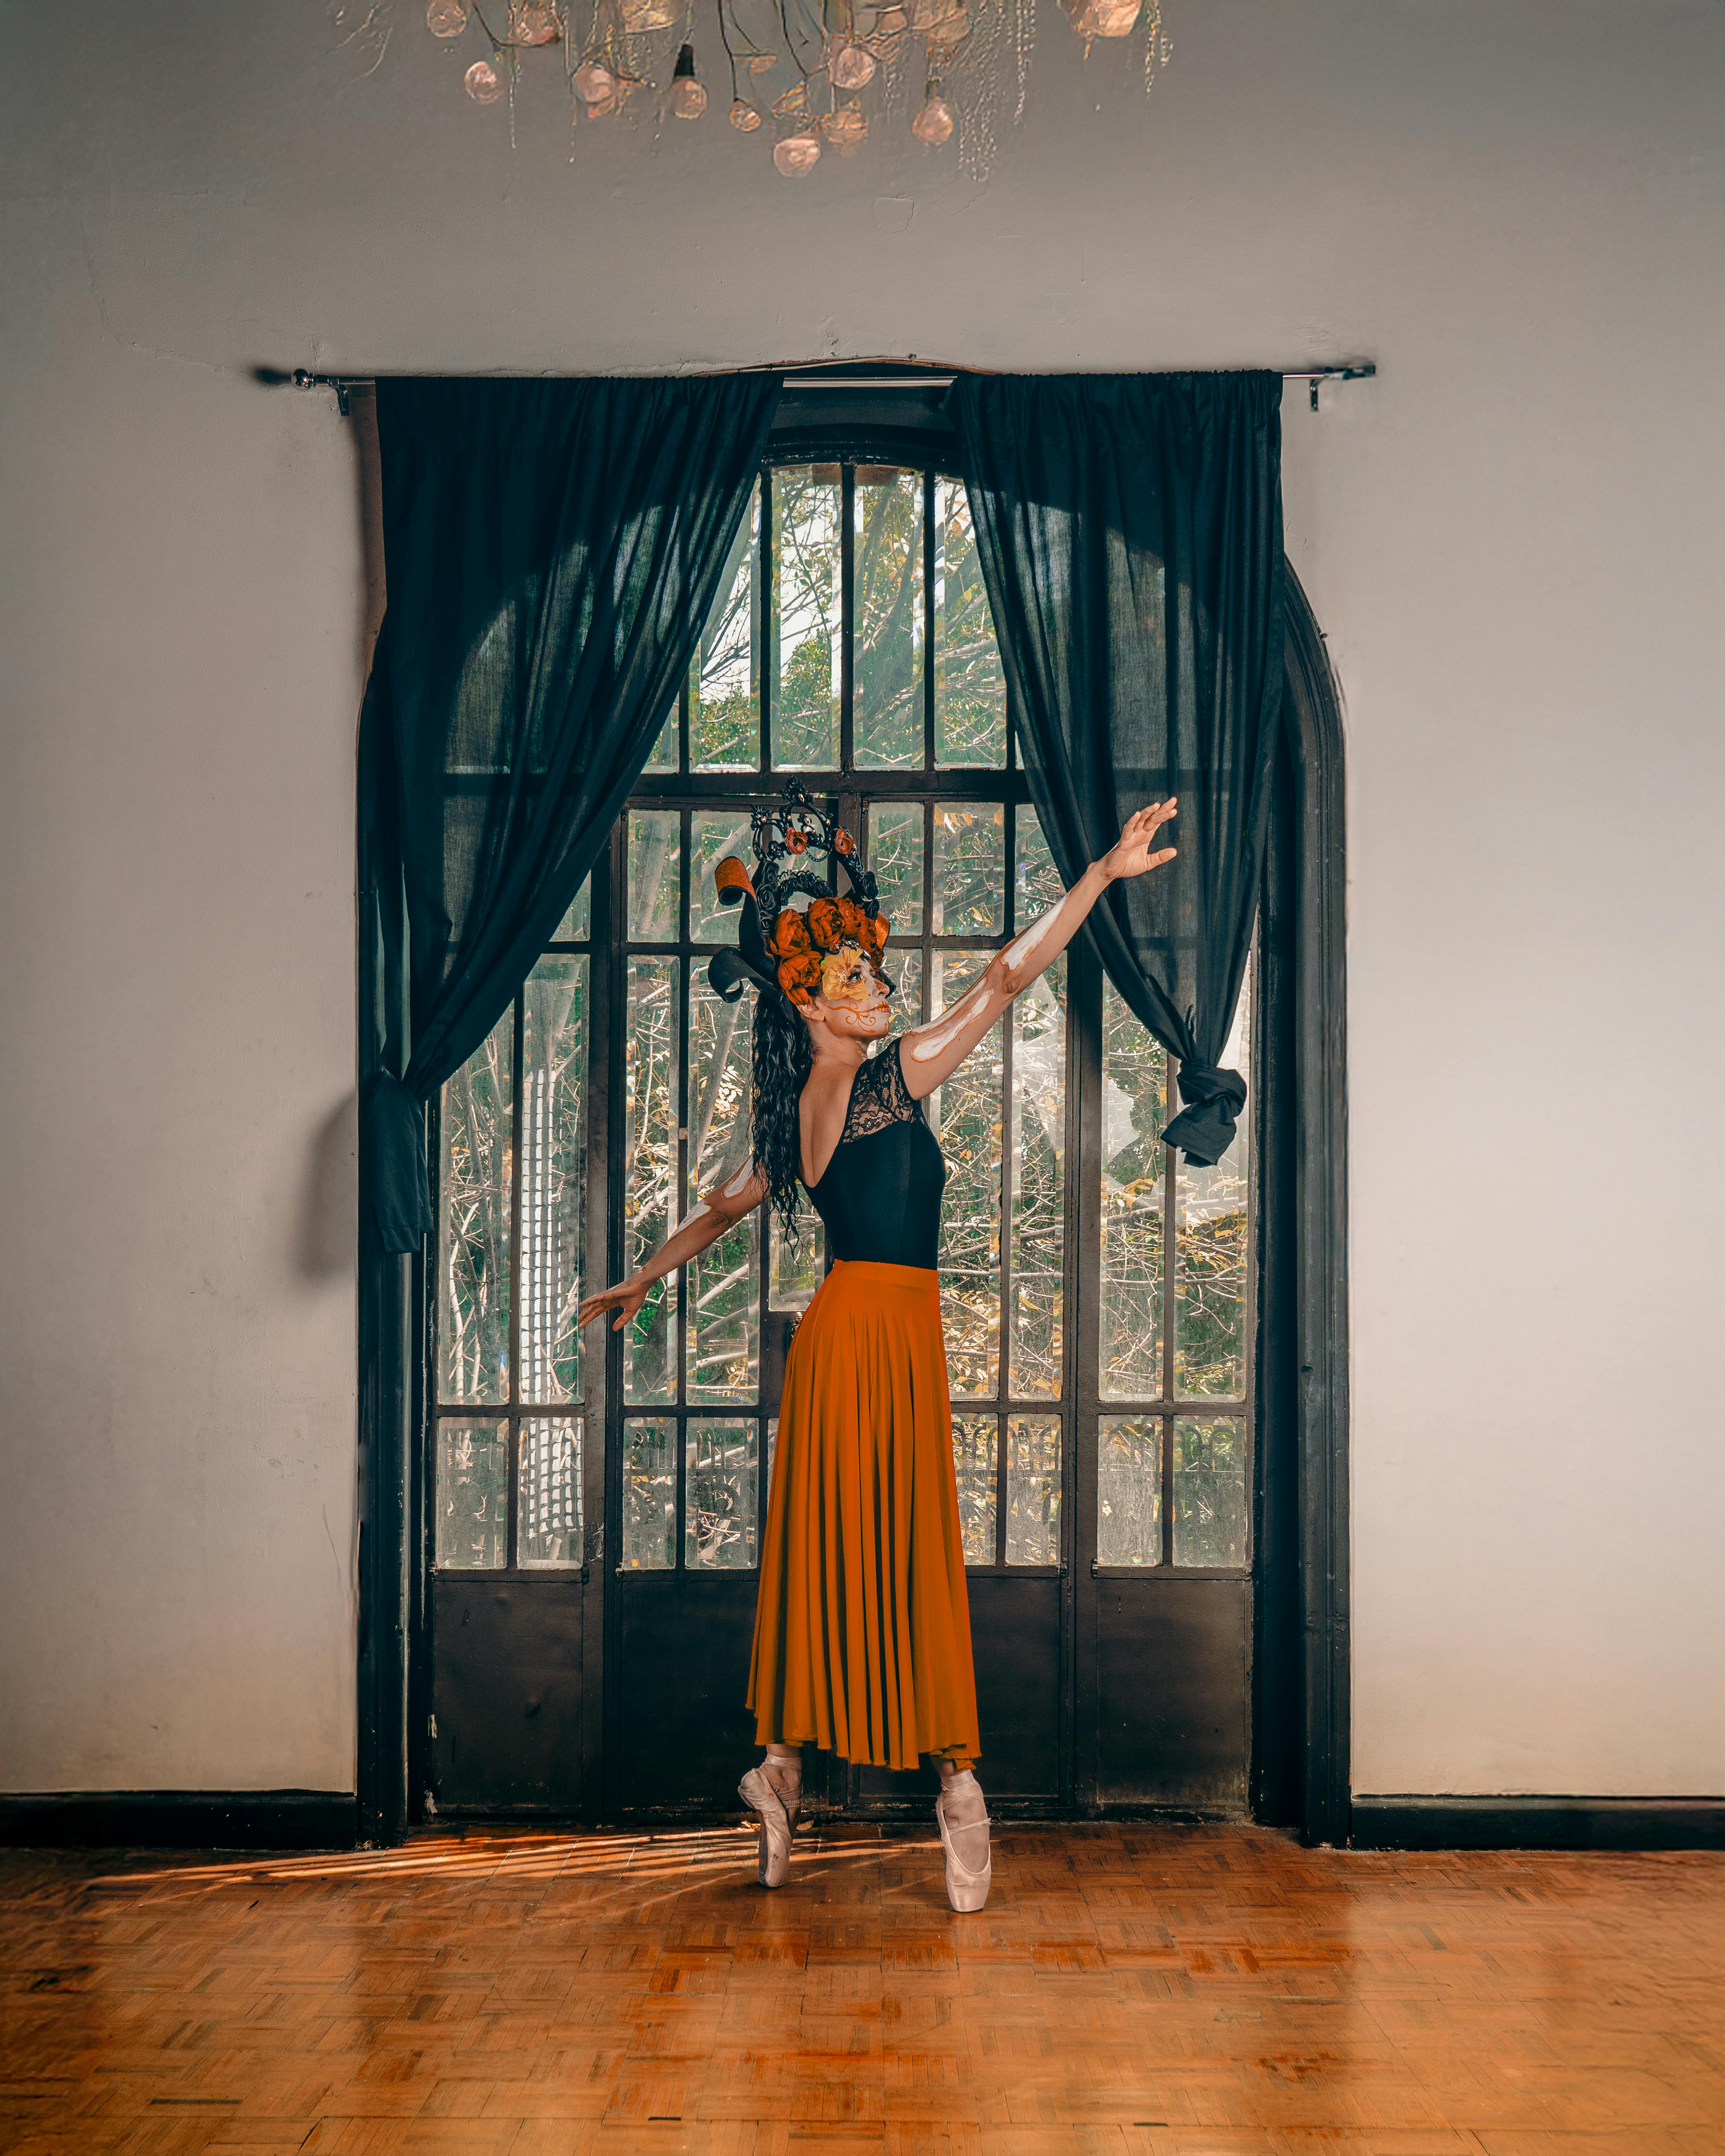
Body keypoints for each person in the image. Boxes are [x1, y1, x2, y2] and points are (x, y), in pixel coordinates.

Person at [579, 782, 1177, 1910]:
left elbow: (714, 1212)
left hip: (860, 1337)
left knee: (847, 1550)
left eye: (875, 974)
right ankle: (956, 1791)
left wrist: (641, 1281)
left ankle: (779, 1777)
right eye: (854, 977)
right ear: (806, 994)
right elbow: (1006, 978)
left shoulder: (800, 1114)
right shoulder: (886, 1078)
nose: (879, 988)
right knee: (894, 1552)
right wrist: (1097, 874)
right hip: (872, 1335)